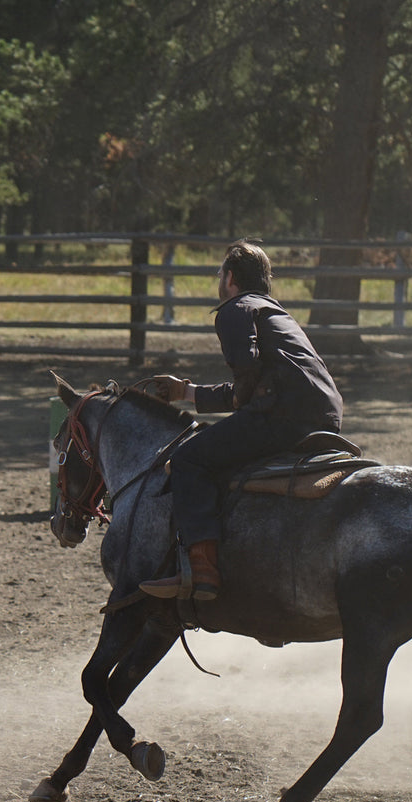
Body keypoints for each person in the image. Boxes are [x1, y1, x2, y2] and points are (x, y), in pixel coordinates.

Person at [140, 240, 344, 601]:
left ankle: (202, 569)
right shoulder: (275, 312)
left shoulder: (236, 309)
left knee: (189, 459)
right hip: (323, 414)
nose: (219, 279)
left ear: (230, 277)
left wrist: (237, 395)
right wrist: (187, 392)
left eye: (220, 273)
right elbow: (250, 389)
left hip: (282, 415)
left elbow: (245, 377)